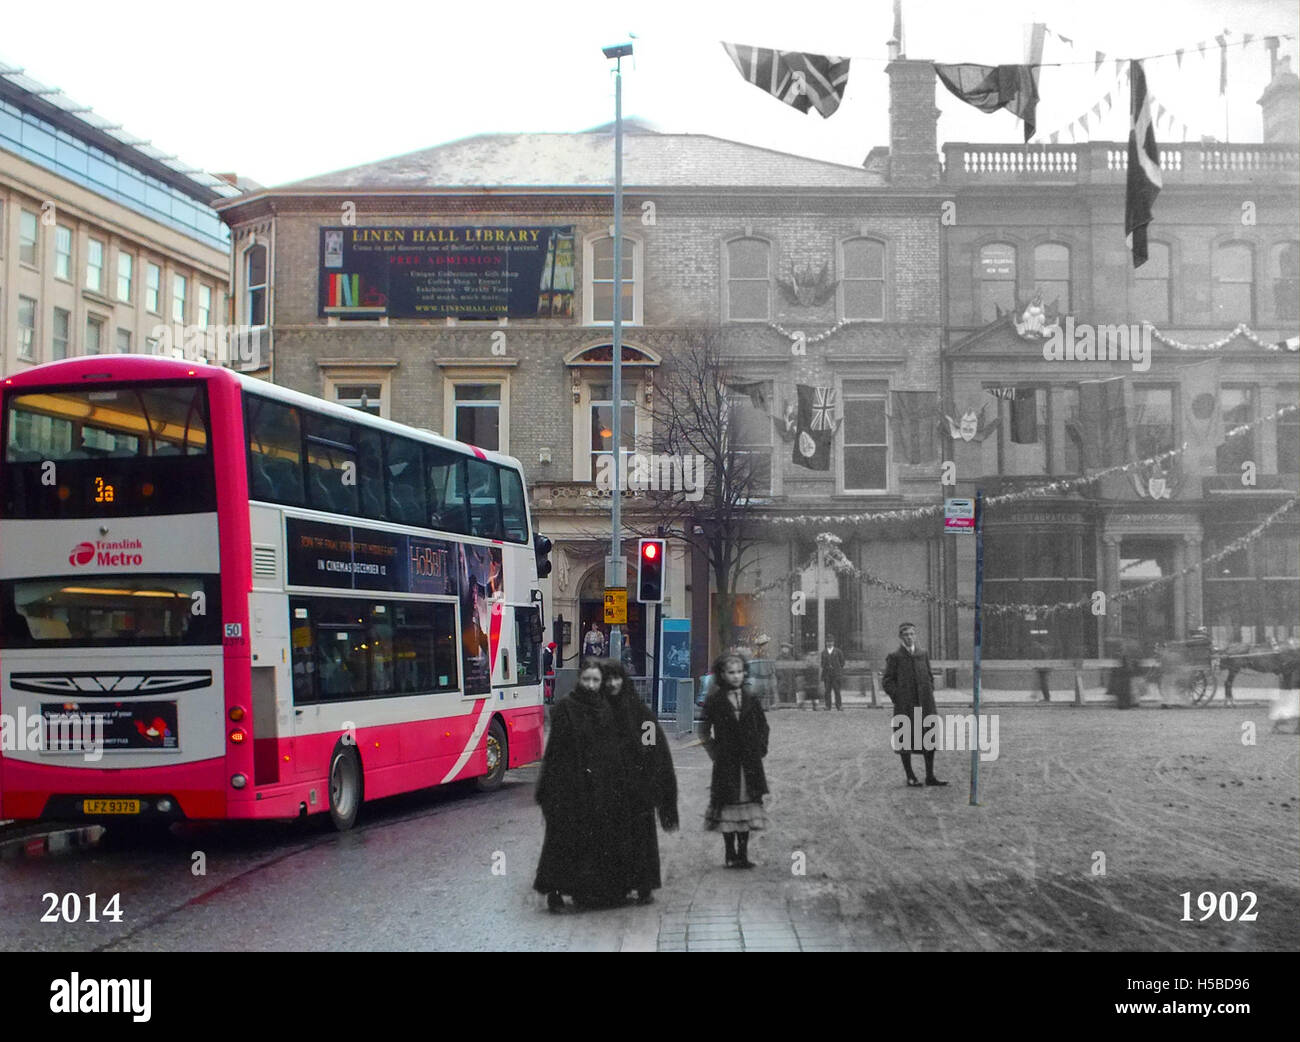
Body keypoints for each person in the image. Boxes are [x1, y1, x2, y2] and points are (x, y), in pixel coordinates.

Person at [533, 658, 633, 911]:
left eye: (595, 680)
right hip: (569, 784)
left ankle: (584, 892)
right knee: (562, 839)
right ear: (579, 679)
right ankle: (554, 892)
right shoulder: (567, 706)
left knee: (590, 842)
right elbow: (556, 750)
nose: (590, 685)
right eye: (586, 679)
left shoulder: (604, 707)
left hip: (598, 786)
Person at [601, 661, 678, 904]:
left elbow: (654, 751)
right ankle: (620, 886)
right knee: (615, 841)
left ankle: (644, 886)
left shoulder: (640, 714)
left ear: (624, 680)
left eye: (617, 678)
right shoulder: (599, 712)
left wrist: (653, 786)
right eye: (608, 679)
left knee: (640, 839)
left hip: (637, 791)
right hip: (610, 791)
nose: (613, 684)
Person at [701, 653, 770, 868]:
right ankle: (729, 853)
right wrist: (715, 752)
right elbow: (703, 730)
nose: (736, 676)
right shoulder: (714, 700)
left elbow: (764, 726)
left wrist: (760, 748)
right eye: (731, 672)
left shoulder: (752, 699)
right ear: (722, 674)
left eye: (739, 672)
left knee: (747, 808)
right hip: (727, 763)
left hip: (749, 763)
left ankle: (743, 854)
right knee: (728, 807)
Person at [882, 622, 947, 787]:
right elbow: (887, 681)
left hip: (925, 704)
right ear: (900, 637)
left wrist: (929, 691)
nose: (909, 637)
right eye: (906, 634)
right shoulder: (895, 656)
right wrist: (898, 696)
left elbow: (930, 676)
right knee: (905, 740)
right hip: (905, 706)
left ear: (915, 635)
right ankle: (910, 776)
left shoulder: (922, 654)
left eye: (912, 634)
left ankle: (930, 776)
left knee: (929, 738)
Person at [821, 636, 846, 711]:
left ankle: (839, 706)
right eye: (828, 642)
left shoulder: (838, 651)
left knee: (837, 691)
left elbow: (842, 662)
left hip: (836, 675)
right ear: (826, 643)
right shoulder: (824, 652)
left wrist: (836, 668)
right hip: (827, 675)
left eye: (831, 642)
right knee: (827, 691)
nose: (829, 643)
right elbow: (822, 663)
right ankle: (828, 706)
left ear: (833, 643)